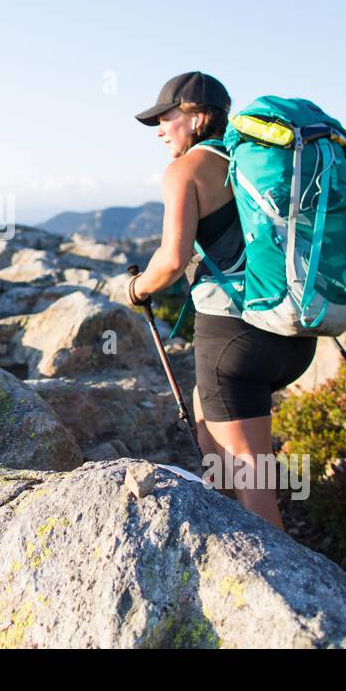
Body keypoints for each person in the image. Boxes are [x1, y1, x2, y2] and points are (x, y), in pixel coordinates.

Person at [126, 72, 317, 531]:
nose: (159, 128)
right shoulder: (260, 161)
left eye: (166, 116)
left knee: (252, 473)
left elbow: (173, 260)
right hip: (293, 334)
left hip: (234, 340)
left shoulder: (186, 170)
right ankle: (228, 535)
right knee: (209, 425)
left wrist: (136, 289)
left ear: (195, 117)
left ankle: (282, 585)